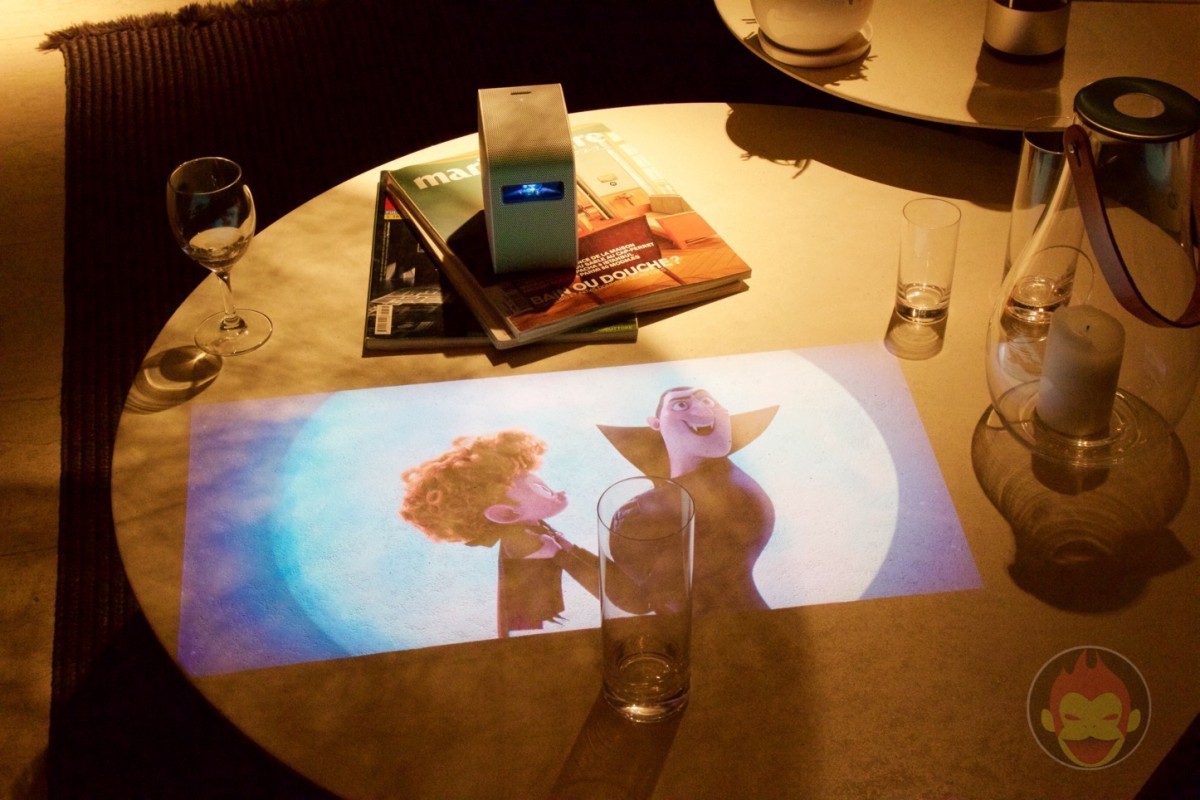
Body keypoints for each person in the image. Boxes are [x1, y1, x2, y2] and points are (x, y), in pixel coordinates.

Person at [399, 429, 597, 638]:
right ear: (505, 514)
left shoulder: (535, 529)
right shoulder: (521, 543)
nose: (559, 493)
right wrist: (558, 552)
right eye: (544, 491)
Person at [599, 387, 777, 613]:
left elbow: (638, 600)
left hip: (725, 629)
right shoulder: (732, 483)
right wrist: (566, 551)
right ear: (656, 424)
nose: (703, 411)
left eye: (708, 401)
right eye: (681, 405)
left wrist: (568, 555)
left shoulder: (729, 492)